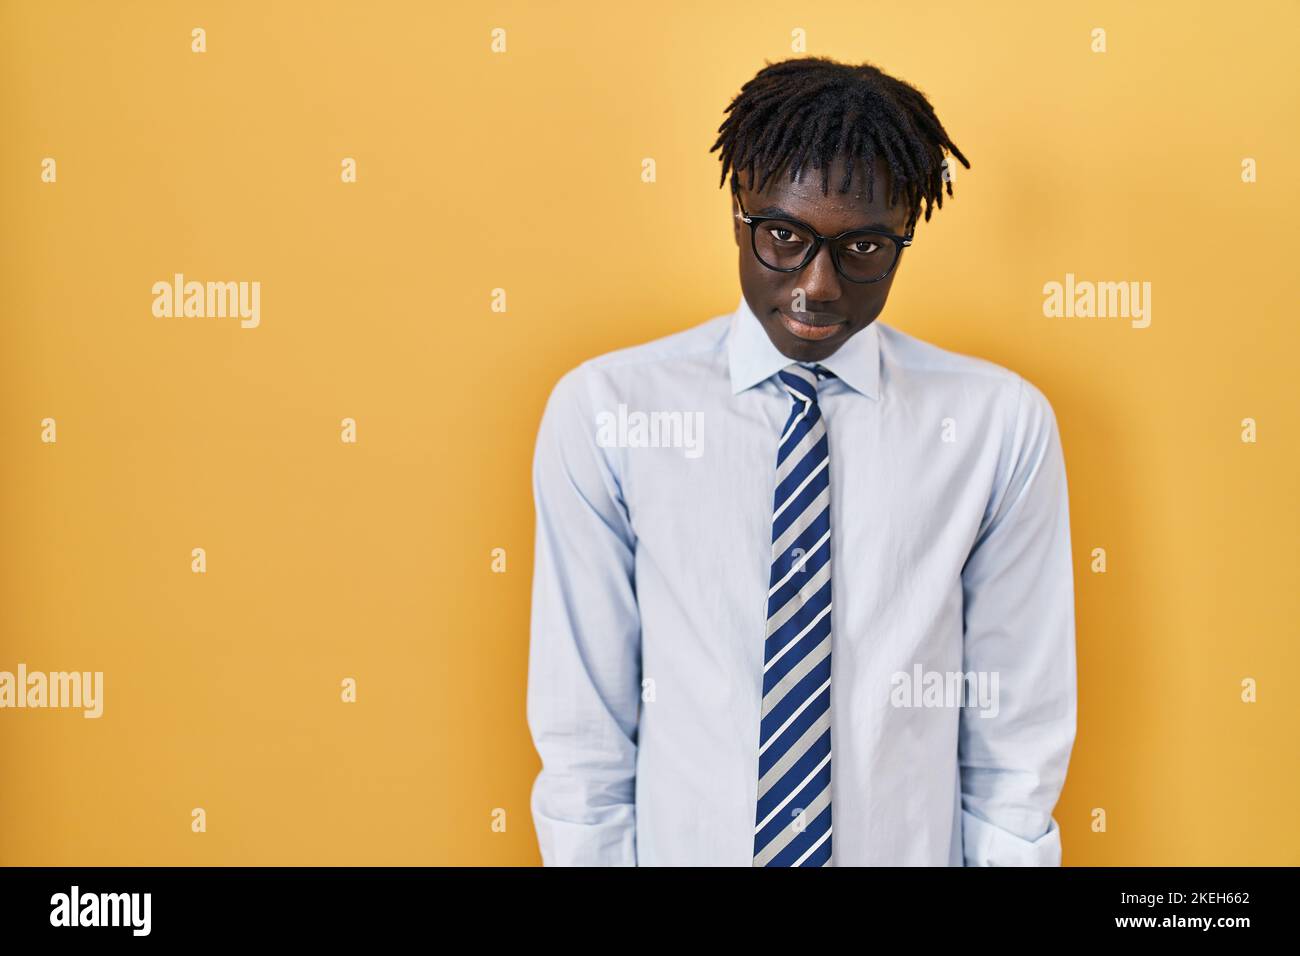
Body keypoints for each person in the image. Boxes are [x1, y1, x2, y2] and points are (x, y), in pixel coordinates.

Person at [525, 55, 1077, 866]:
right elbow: (584, 732)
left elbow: (1014, 738)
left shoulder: (998, 425)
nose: (818, 286)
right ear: (739, 209)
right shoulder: (608, 413)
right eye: (784, 236)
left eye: (862, 247)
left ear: (904, 236)